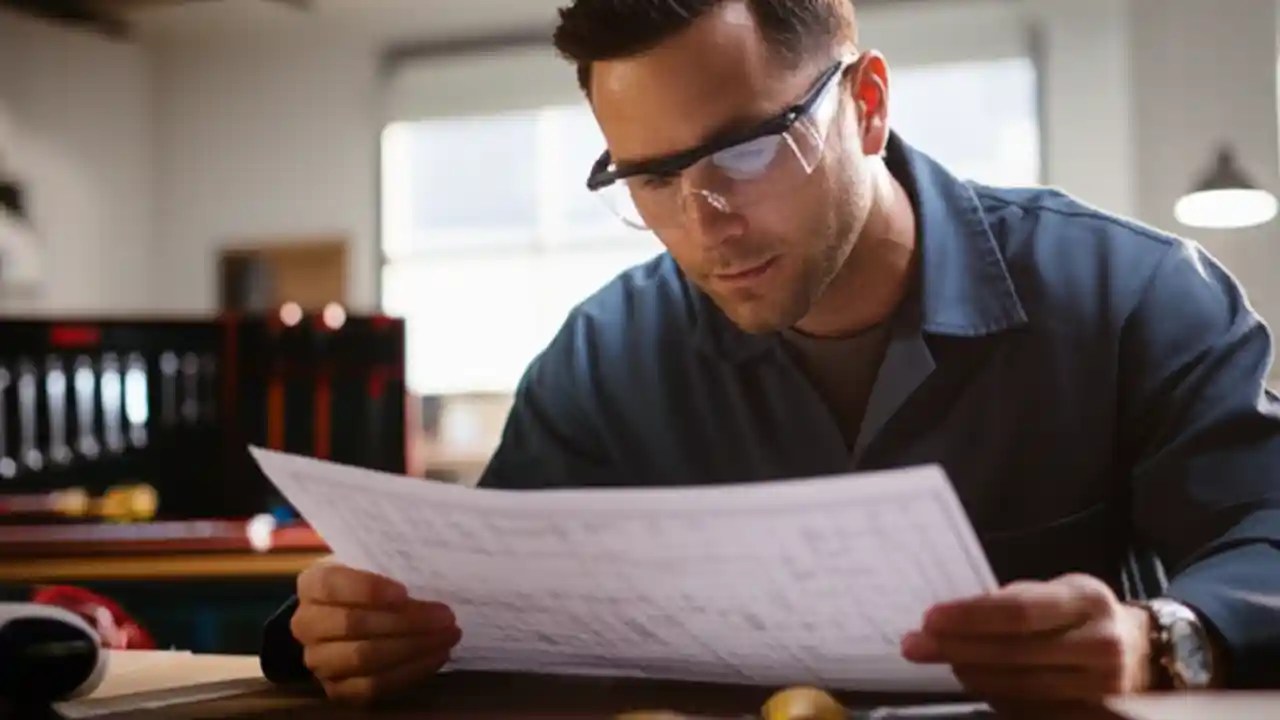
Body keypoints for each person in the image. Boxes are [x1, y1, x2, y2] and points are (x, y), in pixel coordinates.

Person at [259, 0, 1280, 707]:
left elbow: (1264, 531)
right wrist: (365, 637)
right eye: (650, 177)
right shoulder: (603, 358)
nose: (706, 222)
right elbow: (474, 607)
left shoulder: (1131, 296)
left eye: (746, 149)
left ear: (867, 105)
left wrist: (1165, 639)